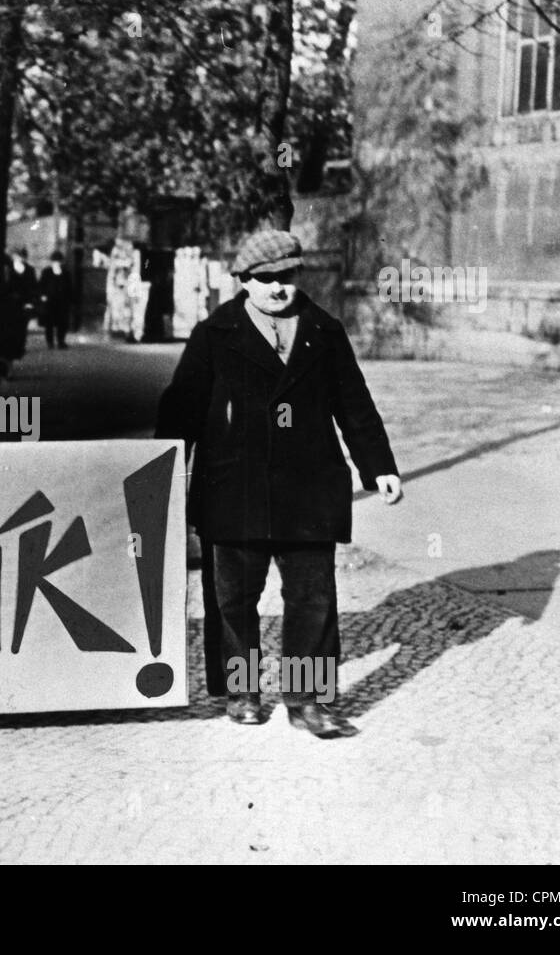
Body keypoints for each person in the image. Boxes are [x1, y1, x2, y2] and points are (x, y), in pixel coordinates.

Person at [155, 229, 403, 738]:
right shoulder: (215, 332)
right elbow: (182, 406)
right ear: (244, 281)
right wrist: (165, 471)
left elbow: (353, 403)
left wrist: (379, 466)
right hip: (233, 488)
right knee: (233, 598)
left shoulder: (324, 330)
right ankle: (244, 691)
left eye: (286, 277)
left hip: (309, 489)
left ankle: (306, 699)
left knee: (312, 598)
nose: (277, 288)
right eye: (264, 279)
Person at [1, 246, 37, 368]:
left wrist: (31, 302)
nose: (17, 258)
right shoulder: (7, 269)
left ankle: (13, 357)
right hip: (9, 307)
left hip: (23, 307)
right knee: (8, 335)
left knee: (20, 335)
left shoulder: (30, 270)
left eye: (20, 255)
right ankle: (8, 364)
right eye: (15, 255)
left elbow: (33, 287)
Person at [38, 249, 73, 350]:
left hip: (62, 301)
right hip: (50, 301)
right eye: (55, 261)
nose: (56, 263)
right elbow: (41, 285)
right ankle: (50, 342)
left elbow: (69, 287)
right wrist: (43, 296)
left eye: (58, 261)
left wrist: (69, 299)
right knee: (49, 323)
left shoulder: (66, 273)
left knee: (62, 322)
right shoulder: (47, 272)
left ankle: (61, 341)